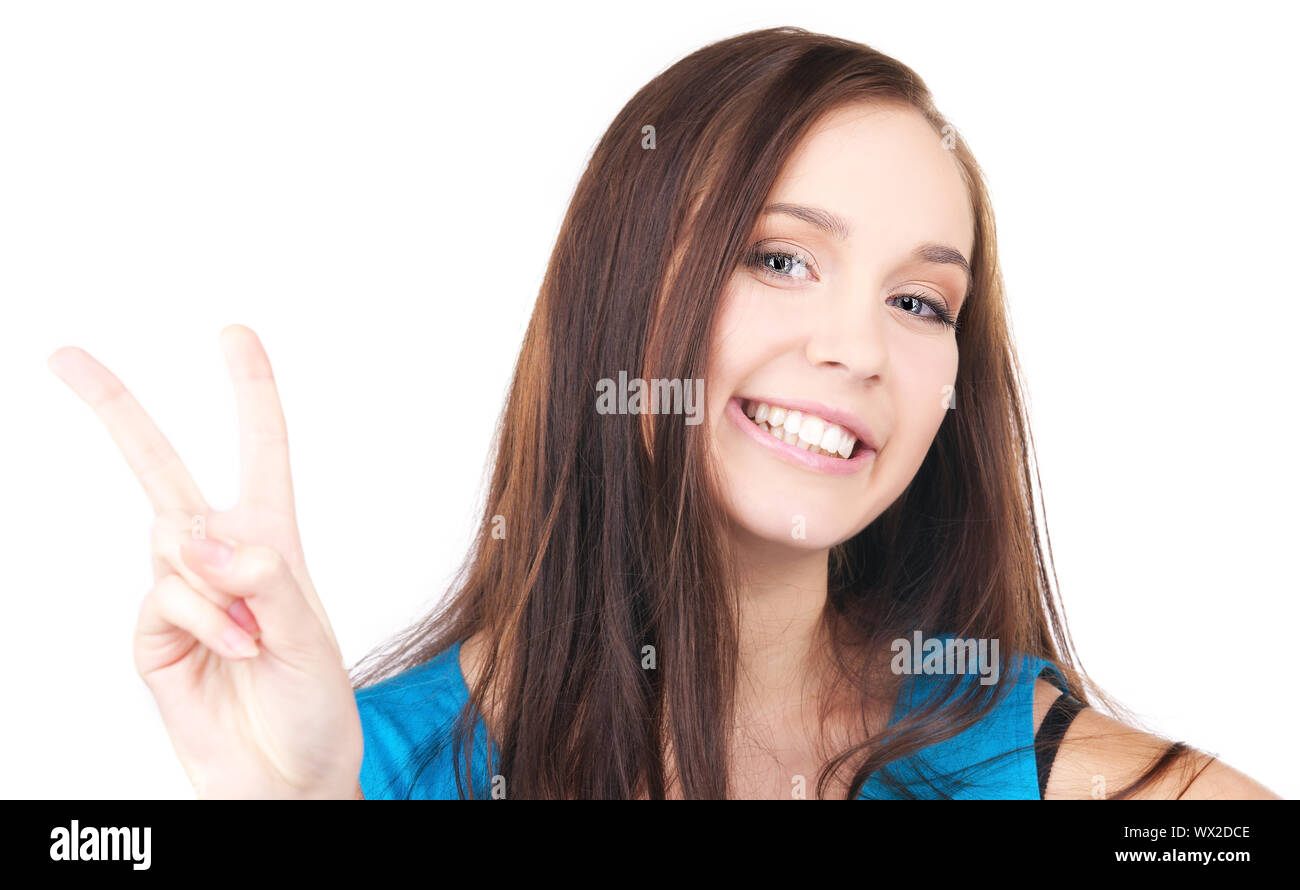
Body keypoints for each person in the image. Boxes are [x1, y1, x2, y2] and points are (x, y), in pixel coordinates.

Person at [49, 26, 1280, 799]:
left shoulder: (1018, 751)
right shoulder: (361, 765)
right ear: (626, 294)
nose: (855, 346)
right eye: (780, 259)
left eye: (919, 298)